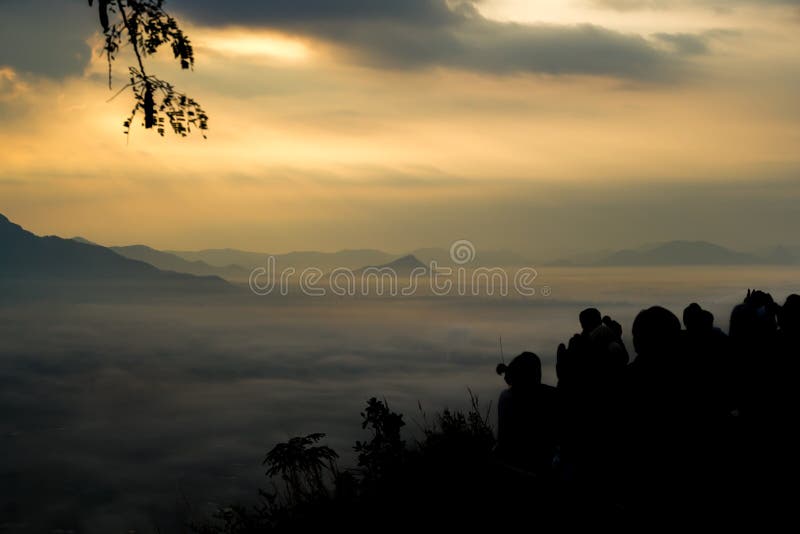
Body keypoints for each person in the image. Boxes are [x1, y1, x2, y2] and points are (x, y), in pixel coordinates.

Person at [496, 352, 558, 475]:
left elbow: (502, 439)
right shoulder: (550, 395)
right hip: (542, 466)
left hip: (513, 463)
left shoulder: (506, 397)